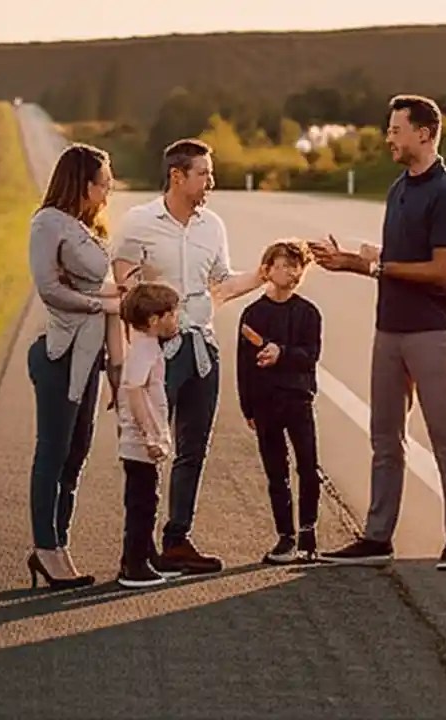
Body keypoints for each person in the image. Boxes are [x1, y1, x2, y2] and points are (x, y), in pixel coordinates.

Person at [311, 94, 446, 571]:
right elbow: (399, 259)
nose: (389, 138)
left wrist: (371, 266)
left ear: (424, 134)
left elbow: (442, 271)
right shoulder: (400, 187)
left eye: (396, 130)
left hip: (432, 332)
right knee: (385, 438)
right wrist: (358, 260)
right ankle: (377, 537)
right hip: (390, 331)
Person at [109, 138, 266, 575]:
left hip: (202, 348)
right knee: (148, 444)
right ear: (177, 176)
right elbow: (125, 288)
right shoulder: (138, 222)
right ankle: (138, 551)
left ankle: (177, 539)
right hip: (158, 352)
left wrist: (262, 273)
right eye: (203, 173)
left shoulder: (212, 226)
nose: (210, 181)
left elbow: (222, 283)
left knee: (193, 448)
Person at [25, 142, 119, 589]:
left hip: (91, 358)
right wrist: (101, 304)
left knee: (77, 454)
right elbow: (48, 288)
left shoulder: (88, 228)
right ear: (83, 184)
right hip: (59, 355)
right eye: (104, 181)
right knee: (53, 451)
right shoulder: (47, 223)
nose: (110, 188)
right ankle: (44, 547)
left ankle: (60, 543)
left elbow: (105, 291)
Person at [236, 239, 324, 565]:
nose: (287, 271)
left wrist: (281, 353)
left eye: (294, 265)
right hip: (265, 402)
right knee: (277, 472)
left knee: (308, 467)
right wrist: (247, 407)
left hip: (299, 400)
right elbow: (244, 365)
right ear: (267, 270)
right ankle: (285, 536)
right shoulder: (253, 313)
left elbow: (310, 356)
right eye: (280, 264)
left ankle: (308, 533)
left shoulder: (308, 313)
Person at [114, 280, 184, 588]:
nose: (176, 320)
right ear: (154, 321)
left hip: (143, 441)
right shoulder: (144, 349)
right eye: (172, 314)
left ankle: (146, 555)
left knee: (147, 500)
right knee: (142, 504)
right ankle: (134, 565)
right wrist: (152, 436)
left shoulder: (146, 344)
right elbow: (133, 388)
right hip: (141, 442)